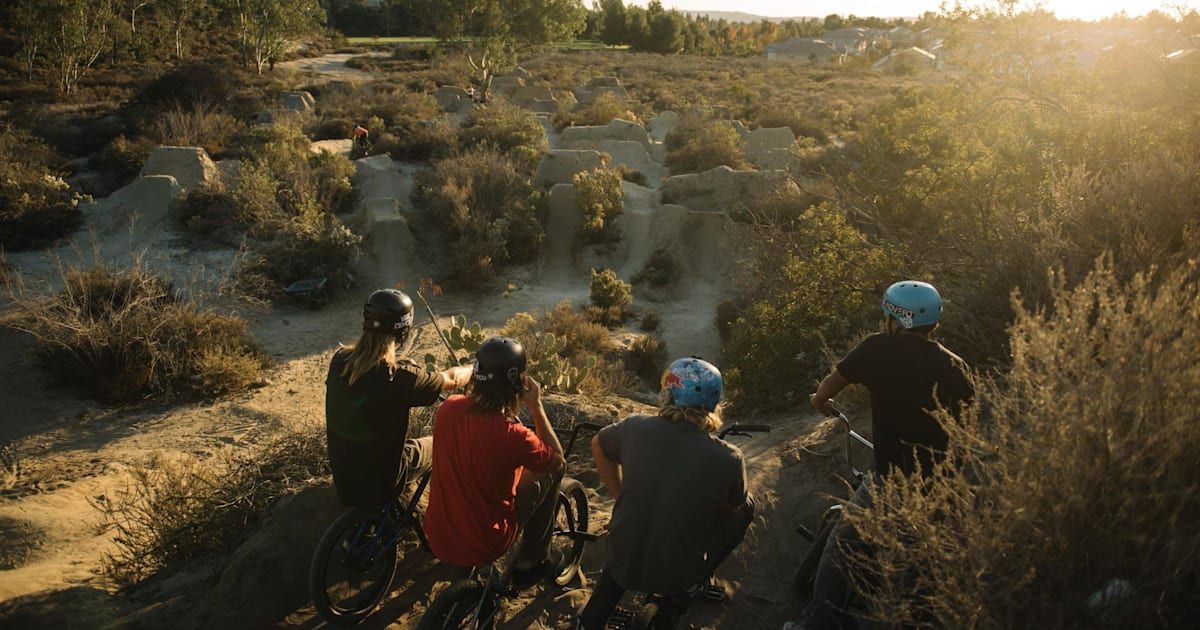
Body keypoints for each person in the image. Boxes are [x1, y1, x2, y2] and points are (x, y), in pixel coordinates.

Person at [784, 280, 975, 630]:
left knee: (841, 550)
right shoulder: (958, 366)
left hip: (893, 483)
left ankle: (817, 624)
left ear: (896, 319)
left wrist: (819, 402)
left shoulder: (878, 349)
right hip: (944, 488)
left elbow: (831, 385)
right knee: (918, 572)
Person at [577, 357, 755, 630]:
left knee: (628, 544)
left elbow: (598, 444)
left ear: (669, 393)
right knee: (747, 506)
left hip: (622, 556)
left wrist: (620, 493)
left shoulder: (633, 427)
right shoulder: (730, 457)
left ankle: (590, 621)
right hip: (678, 574)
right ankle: (698, 582)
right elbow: (733, 506)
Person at [422, 337, 566, 584]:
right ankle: (531, 561)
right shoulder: (514, 436)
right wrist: (536, 406)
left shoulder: (449, 409)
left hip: (437, 533)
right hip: (487, 541)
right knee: (554, 470)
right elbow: (557, 459)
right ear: (518, 384)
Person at [324, 289, 472, 508]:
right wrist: (475, 367)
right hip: (382, 485)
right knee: (440, 443)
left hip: (345, 483)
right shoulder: (401, 378)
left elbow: (370, 374)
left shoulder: (340, 360)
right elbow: (452, 378)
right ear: (404, 330)